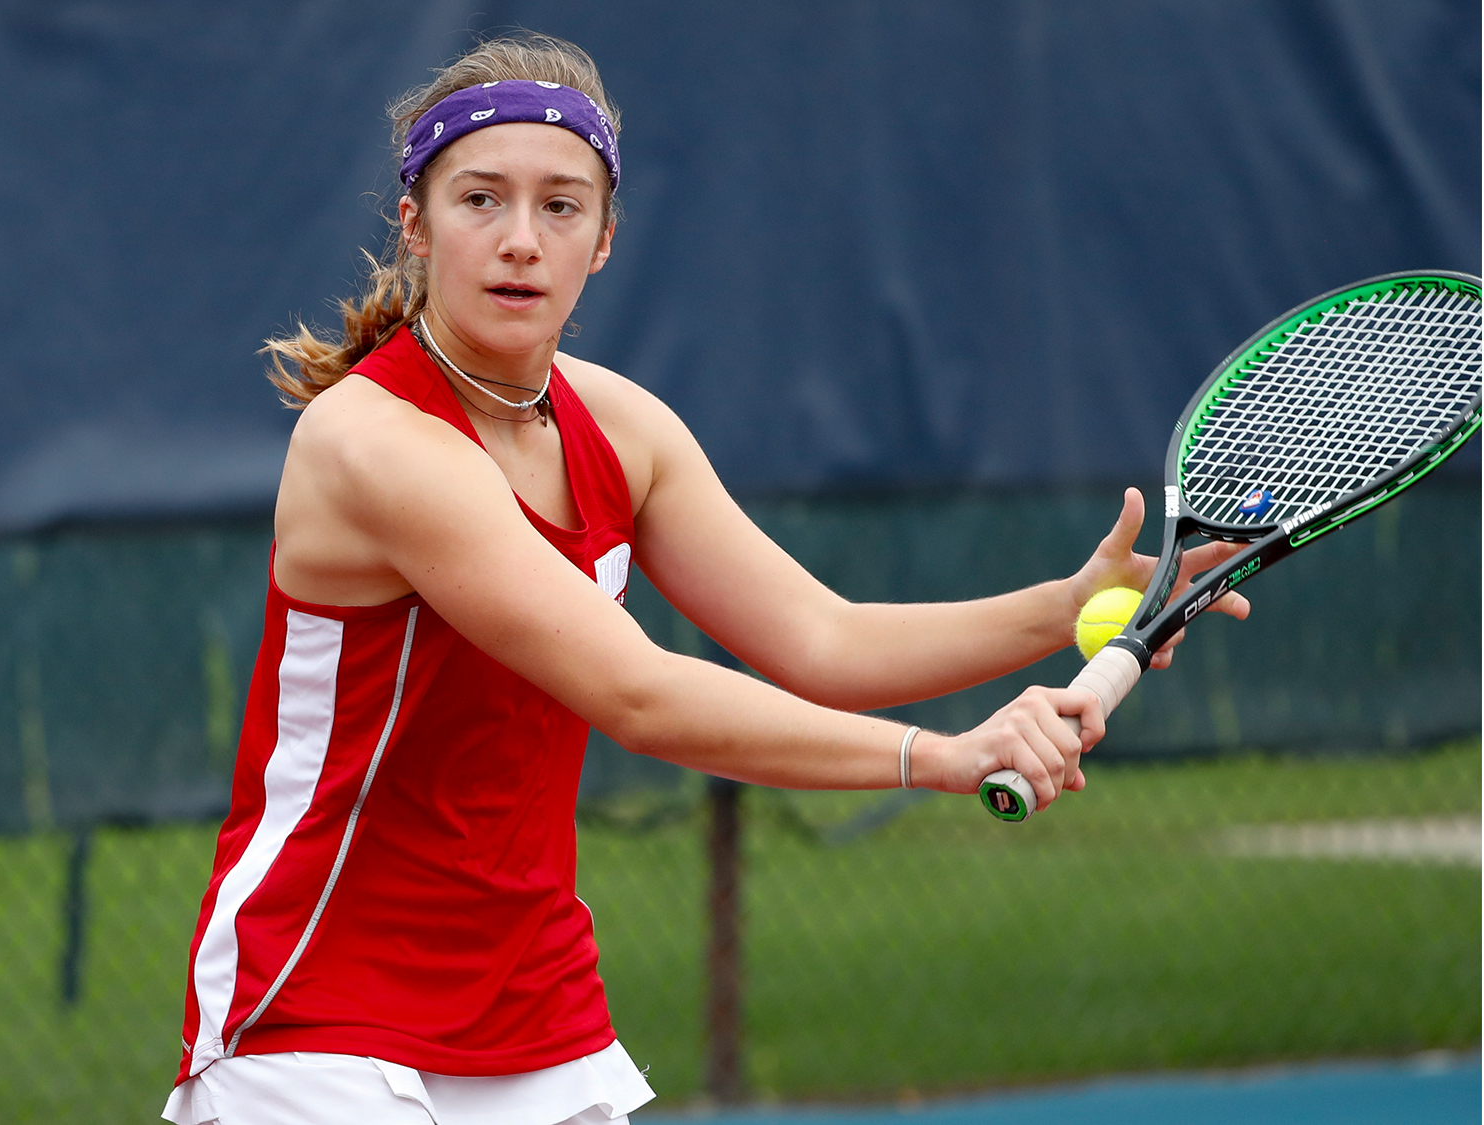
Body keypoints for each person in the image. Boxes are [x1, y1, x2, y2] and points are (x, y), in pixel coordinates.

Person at [163, 32, 1246, 1125]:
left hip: (532, 1016)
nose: (518, 242)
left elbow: (823, 640)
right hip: (315, 1023)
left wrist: (1062, 607)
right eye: (479, 200)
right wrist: (944, 756)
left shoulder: (623, 429)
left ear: (602, 239)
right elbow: (638, 694)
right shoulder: (375, 443)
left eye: (559, 207)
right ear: (414, 222)